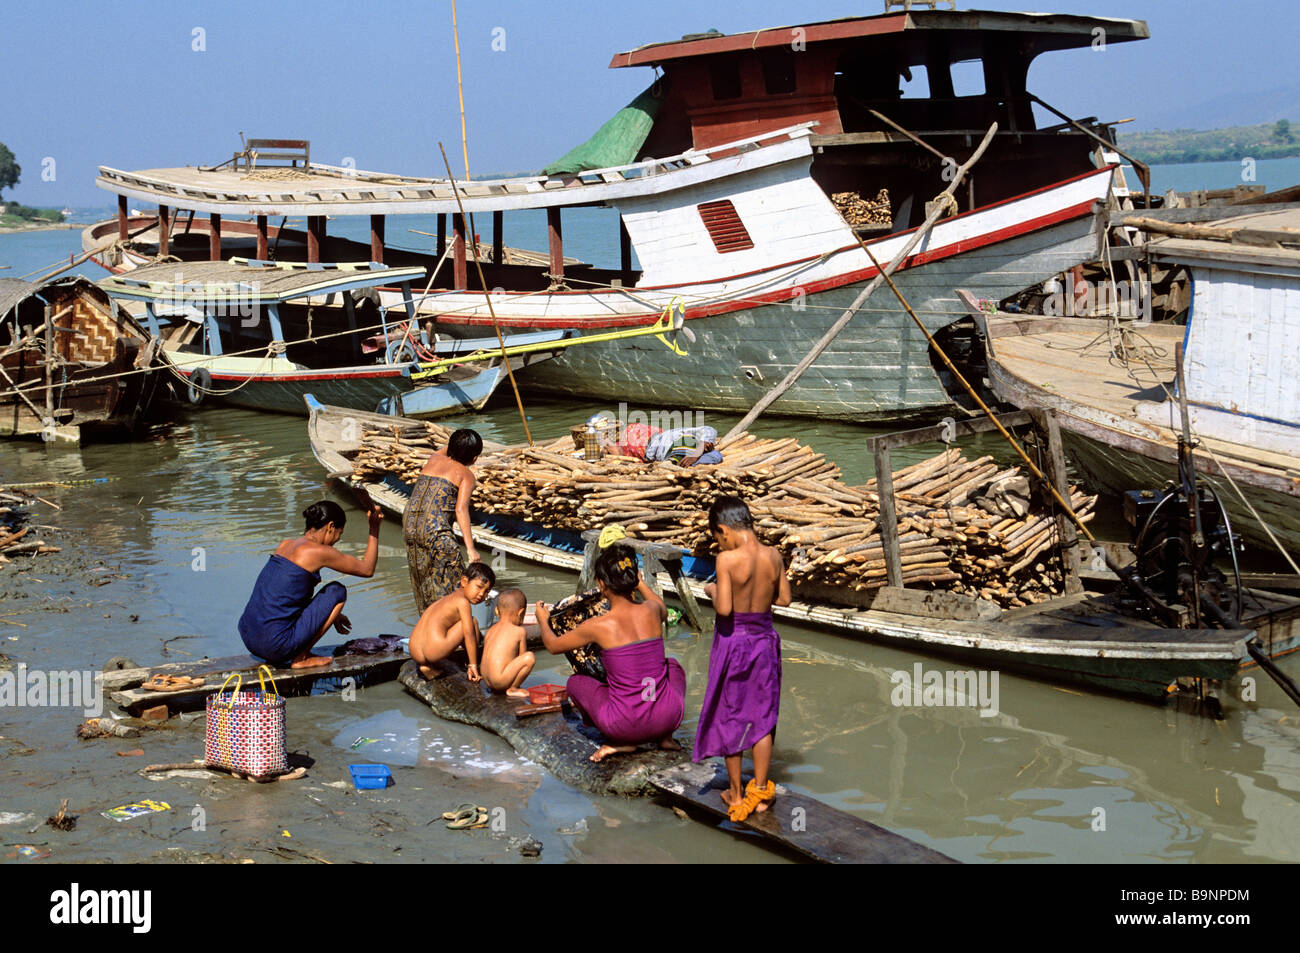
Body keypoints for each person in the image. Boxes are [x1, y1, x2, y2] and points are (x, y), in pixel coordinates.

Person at [536, 543, 685, 763]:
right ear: (633, 580)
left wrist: (543, 620)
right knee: (672, 665)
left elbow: (553, 646)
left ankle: (620, 741)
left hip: (625, 726)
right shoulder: (652, 610)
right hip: (667, 718)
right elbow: (659, 605)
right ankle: (665, 738)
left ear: (602, 585)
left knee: (576, 682)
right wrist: (641, 584)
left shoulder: (598, 625)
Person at [694, 495, 792, 822]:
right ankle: (760, 792)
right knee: (763, 716)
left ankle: (736, 795)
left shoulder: (726, 560)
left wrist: (711, 591)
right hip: (764, 641)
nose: (720, 542)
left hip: (733, 642)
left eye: (718, 537)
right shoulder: (774, 556)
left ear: (724, 530)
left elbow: (724, 608)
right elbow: (785, 599)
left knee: (730, 715)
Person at [238, 500, 382, 669]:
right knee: (337, 590)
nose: (336, 541)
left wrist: (332, 614)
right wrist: (374, 528)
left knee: (323, 595)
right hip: (274, 646)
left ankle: (296, 652)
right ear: (330, 526)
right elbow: (367, 569)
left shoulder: (285, 545)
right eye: (339, 534)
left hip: (249, 637)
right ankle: (300, 657)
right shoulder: (319, 552)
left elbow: (287, 594)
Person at [404, 428, 482, 615]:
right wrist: (470, 548)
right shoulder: (466, 475)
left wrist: (458, 443)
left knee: (423, 581)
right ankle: (454, 632)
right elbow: (461, 509)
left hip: (409, 526)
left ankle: (428, 627)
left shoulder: (434, 459)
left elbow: (447, 449)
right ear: (474, 459)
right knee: (458, 587)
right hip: (436, 531)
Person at [409, 561, 495, 681]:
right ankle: (473, 663)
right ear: (464, 582)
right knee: (472, 622)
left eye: (486, 591)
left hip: (414, 650)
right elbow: (469, 634)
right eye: (479, 587)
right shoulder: (463, 602)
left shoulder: (447, 599)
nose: (482, 594)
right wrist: (473, 664)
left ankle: (425, 666)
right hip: (432, 652)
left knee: (465, 623)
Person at [481, 588, 535, 698]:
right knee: (529, 658)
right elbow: (522, 657)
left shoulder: (491, 629)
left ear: (496, 611)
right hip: (499, 681)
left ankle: (504, 684)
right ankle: (513, 688)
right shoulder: (519, 631)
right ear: (521, 613)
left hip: (486, 678)